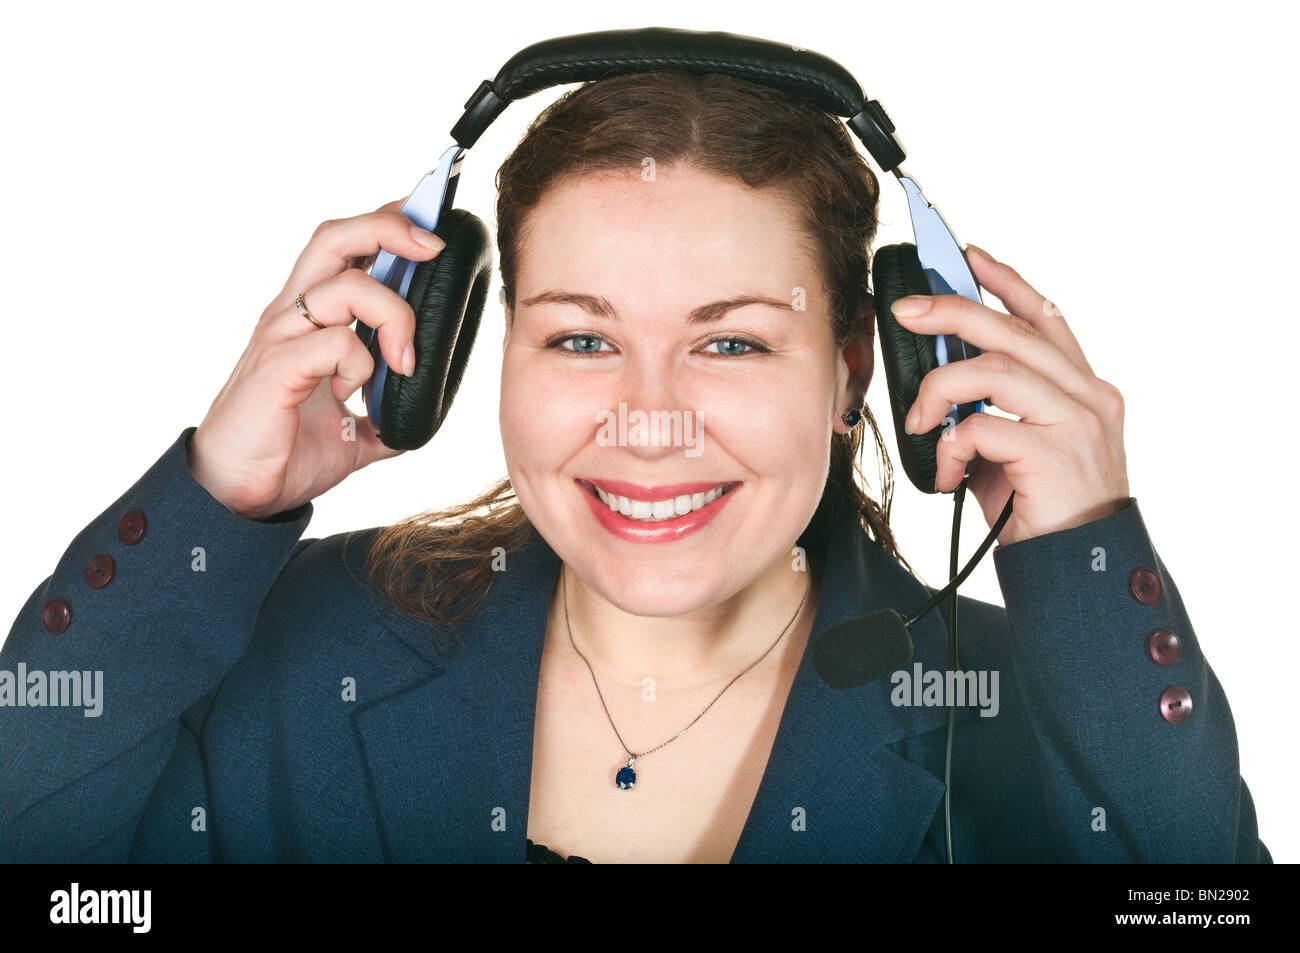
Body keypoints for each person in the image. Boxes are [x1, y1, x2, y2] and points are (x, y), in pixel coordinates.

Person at [0, 71, 1269, 863]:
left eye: (728, 339)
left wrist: (1089, 548)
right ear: (455, 355)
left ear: (852, 370)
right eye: (582, 336)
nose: (647, 419)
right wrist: (217, 498)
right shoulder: (289, 638)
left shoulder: (1027, 710)